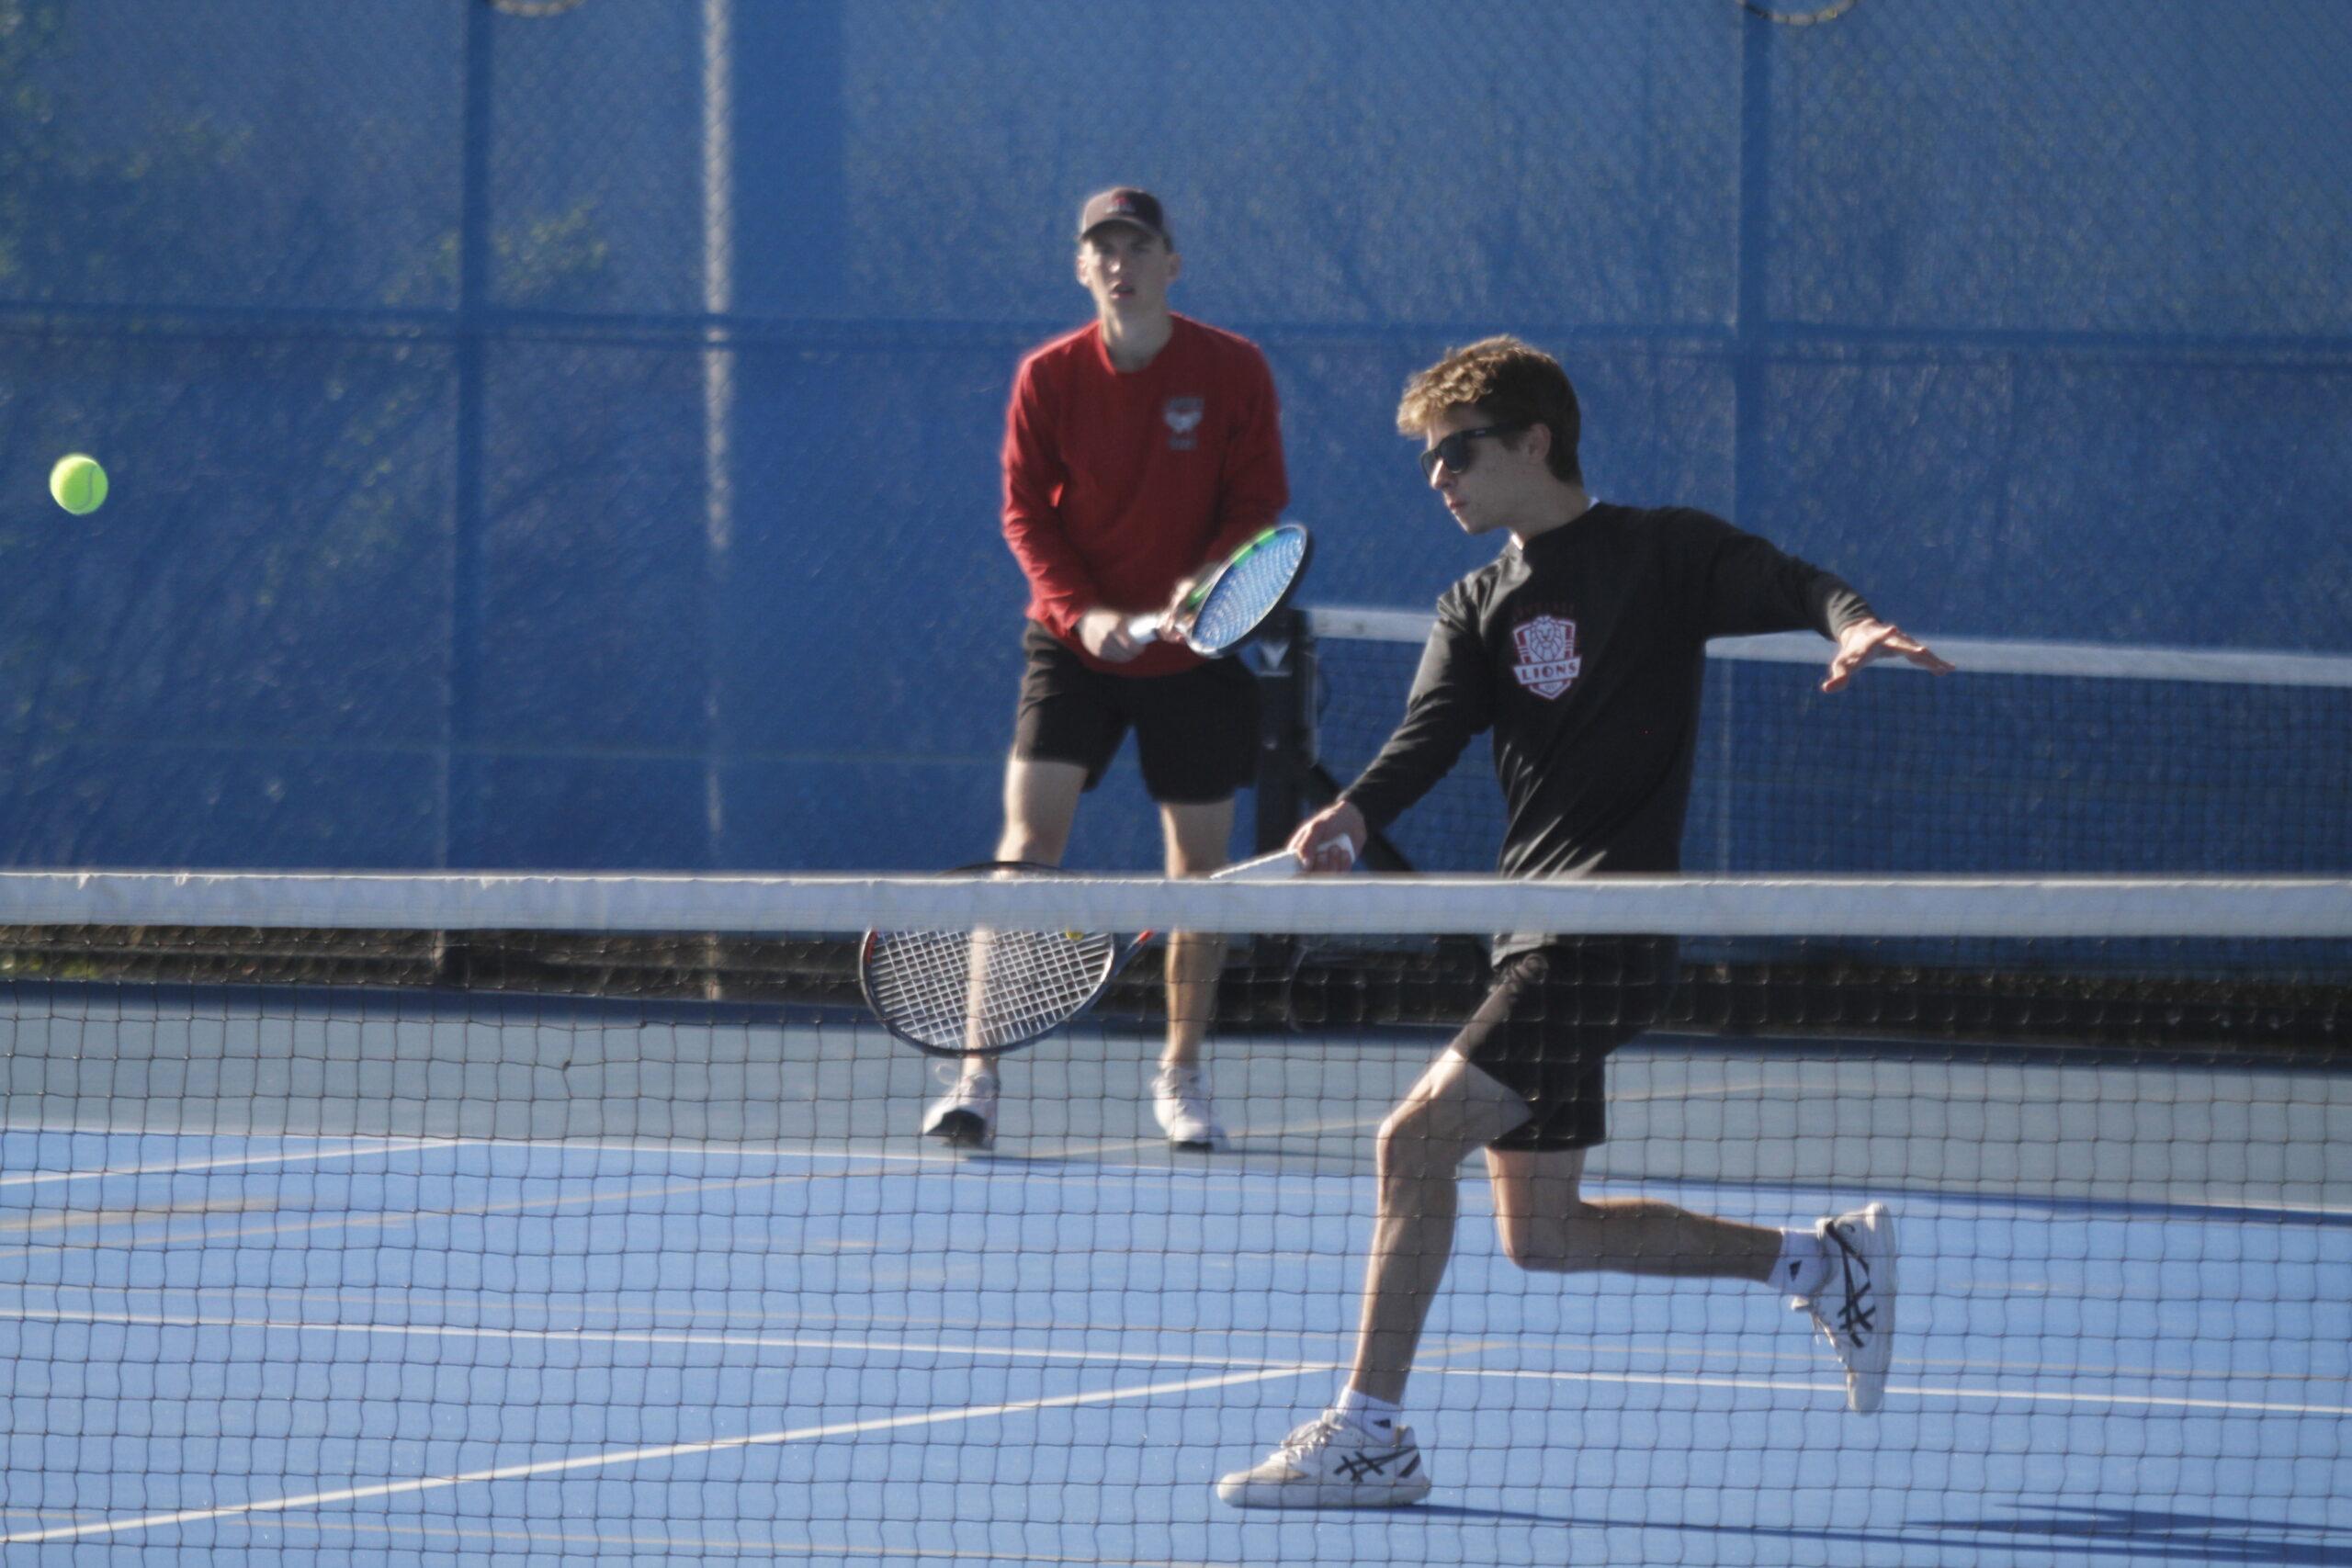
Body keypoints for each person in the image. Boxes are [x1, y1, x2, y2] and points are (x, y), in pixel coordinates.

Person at [1216, 336, 1953, 1508]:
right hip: (1531, 932)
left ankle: (1370, 1436)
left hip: (1604, 936)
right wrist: (1351, 814)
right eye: (1428, 459)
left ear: (1533, 441)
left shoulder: (1661, 553)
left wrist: (1851, 625)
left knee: (1410, 1144)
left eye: (1458, 451)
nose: (1438, 477)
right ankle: (1823, 1264)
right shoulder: (1474, 603)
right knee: (1544, 1235)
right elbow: (1427, 737)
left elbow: (1794, 582)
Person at [922, 187, 1289, 1153]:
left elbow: (1257, 501)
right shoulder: (1048, 377)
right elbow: (1023, 513)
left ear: (1173, 263)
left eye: (1139, 246)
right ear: (1082, 268)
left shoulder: (1234, 369)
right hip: (1071, 646)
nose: (1121, 263)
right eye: (1104, 249)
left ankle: (1181, 1076)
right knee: (1024, 848)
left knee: (1198, 875)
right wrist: (1084, 615)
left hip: (1196, 650)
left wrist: (1205, 588)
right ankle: (976, 1077)